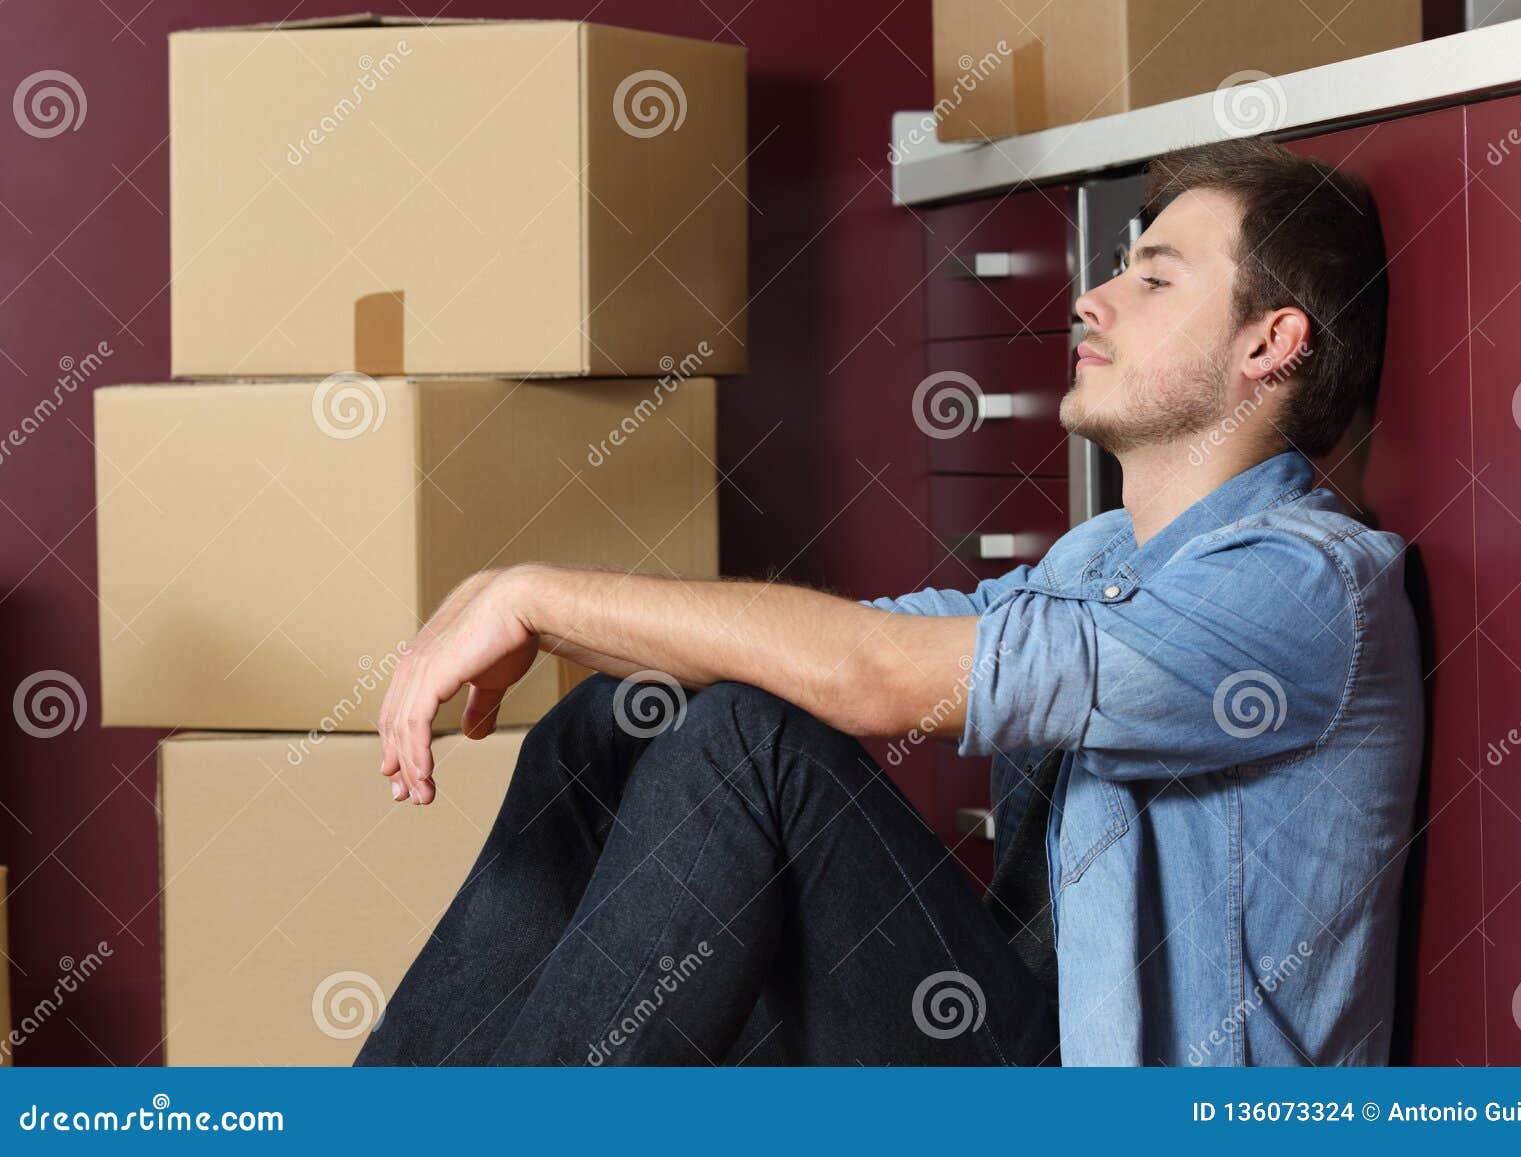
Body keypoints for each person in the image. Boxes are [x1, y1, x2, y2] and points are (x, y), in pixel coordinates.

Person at [354, 136, 1423, 1067]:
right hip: (1013, 1037)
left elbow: (869, 679)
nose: (1091, 299)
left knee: (746, 739)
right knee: (622, 713)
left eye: (1154, 278)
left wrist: (532, 595)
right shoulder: (1104, 555)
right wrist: (530, 607)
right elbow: (867, 642)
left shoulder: (1304, 586)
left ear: (1268, 343)